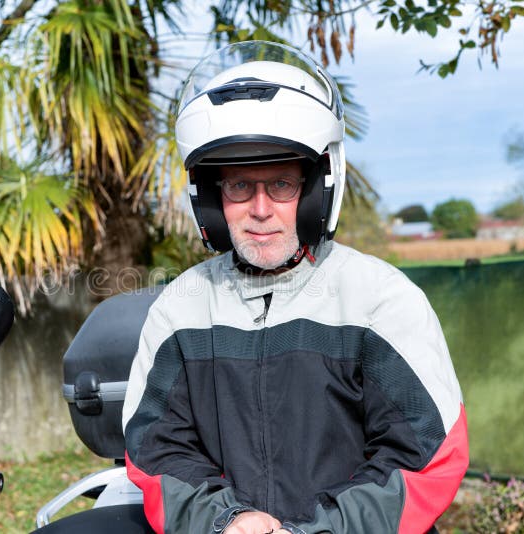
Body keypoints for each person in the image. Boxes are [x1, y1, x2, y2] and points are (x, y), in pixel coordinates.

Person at [121, 41, 468, 534]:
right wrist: (226, 521)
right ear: (213, 200)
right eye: (239, 186)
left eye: (281, 184)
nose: (260, 209)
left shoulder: (379, 299)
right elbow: (156, 449)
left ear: (316, 191)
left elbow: (427, 454)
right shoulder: (181, 306)